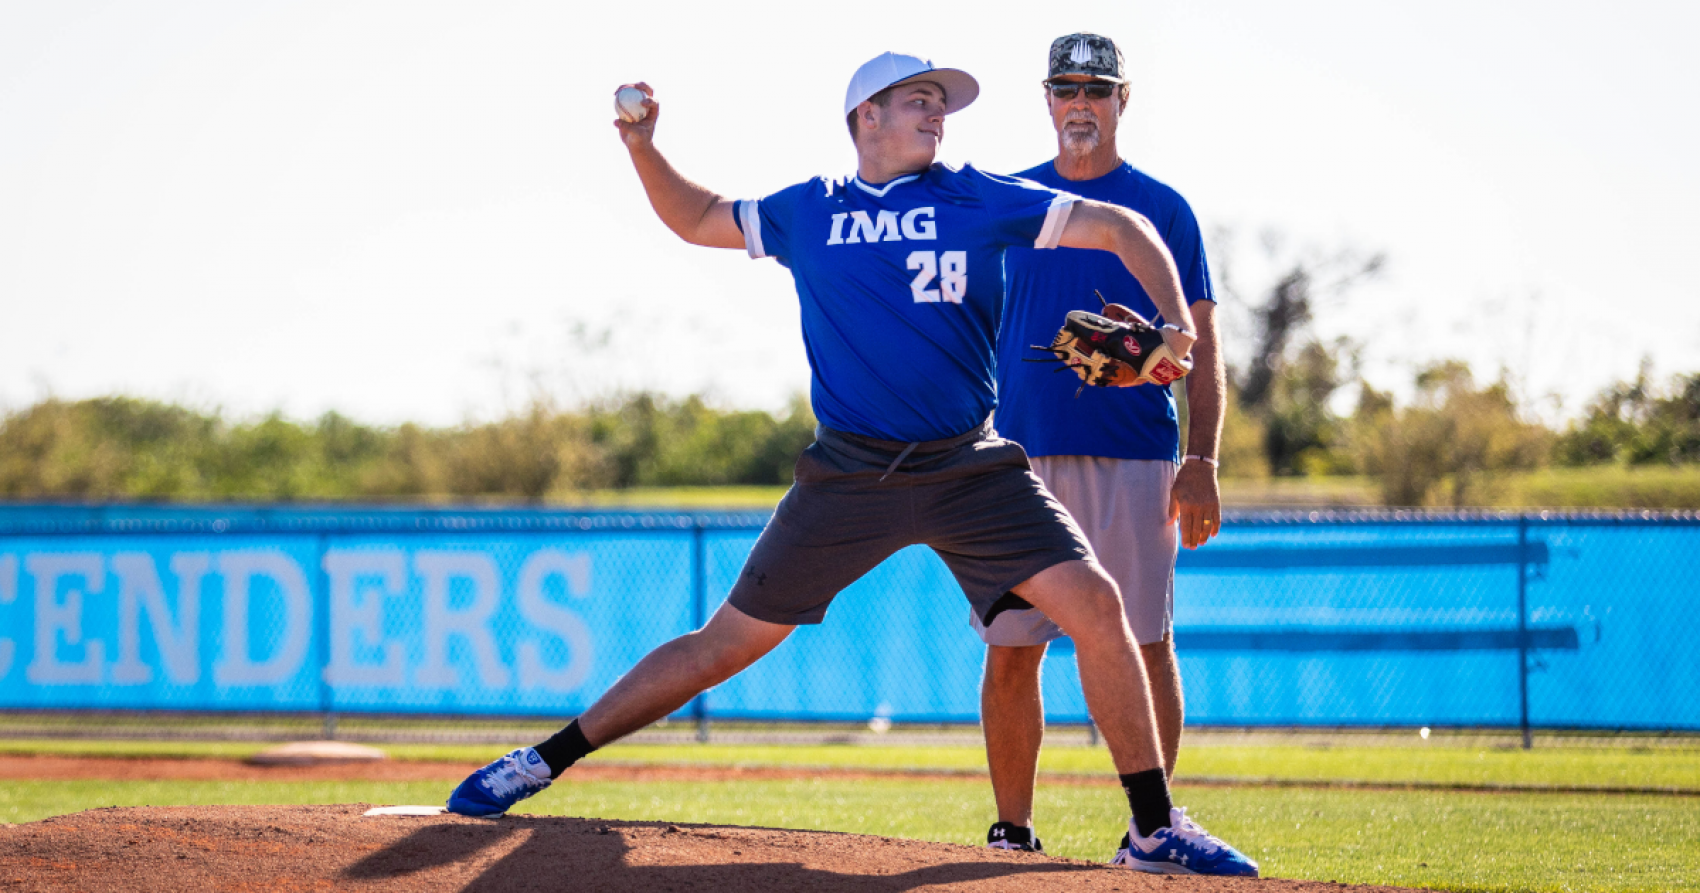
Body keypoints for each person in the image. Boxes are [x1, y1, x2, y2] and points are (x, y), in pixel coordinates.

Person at [444, 50, 1255, 877]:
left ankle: (1154, 831)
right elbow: (697, 218)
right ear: (866, 115)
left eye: (942, 104)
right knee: (721, 644)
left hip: (970, 466)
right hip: (849, 475)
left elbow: (1121, 227)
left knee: (1098, 604)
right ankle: (541, 759)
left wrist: (1173, 326)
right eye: (918, 102)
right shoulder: (813, 211)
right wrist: (644, 148)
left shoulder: (976, 195)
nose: (938, 115)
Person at [973, 33, 1233, 874]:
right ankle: (1012, 828)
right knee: (1014, 643)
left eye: (1096, 86)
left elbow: (1205, 344)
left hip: (1135, 453)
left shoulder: (1163, 208)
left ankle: (1149, 829)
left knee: (1145, 639)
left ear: (1124, 100)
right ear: (1046, 99)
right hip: (1019, 457)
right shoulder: (1007, 201)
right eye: (1064, 86)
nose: (1078, 100)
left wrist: (1204, 460)